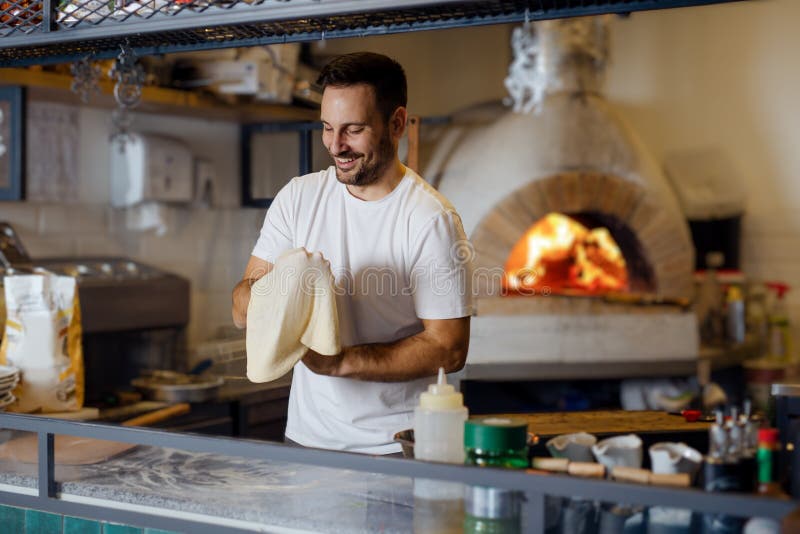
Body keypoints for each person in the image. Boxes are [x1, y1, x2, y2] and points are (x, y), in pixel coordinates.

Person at [231, 52, 473, 454]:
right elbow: (241, 308)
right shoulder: (298, 198)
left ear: (396, 123)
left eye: (353, 129)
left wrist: (340, 362)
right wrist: (279, 290)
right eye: (327, 127)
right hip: (306, 440)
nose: (336, 145)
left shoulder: (430, 219)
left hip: (392, 448)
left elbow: (449, 347)